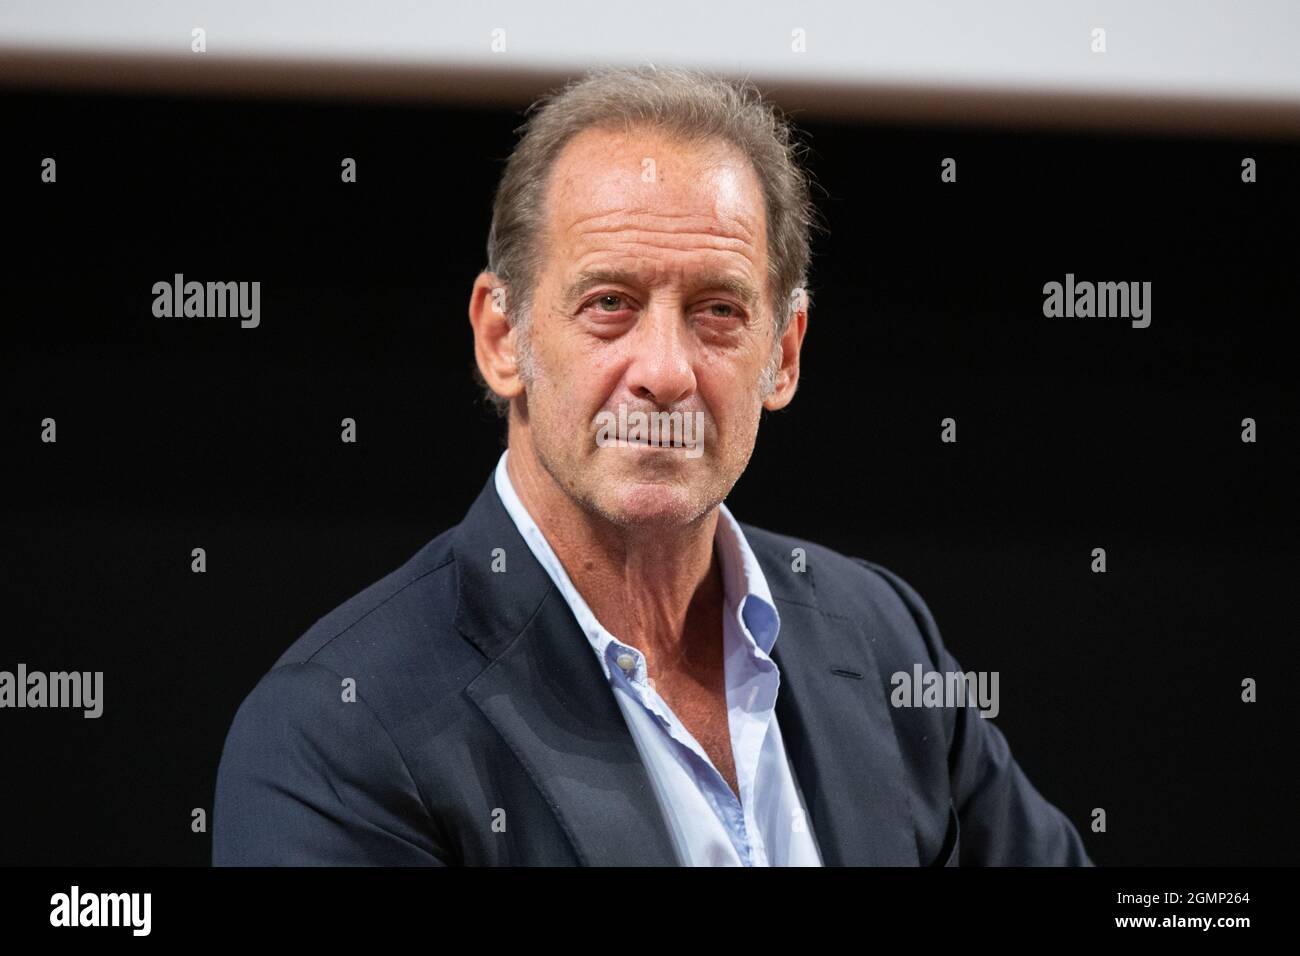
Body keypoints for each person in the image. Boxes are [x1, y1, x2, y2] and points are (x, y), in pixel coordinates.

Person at [213, 65, 1092, 866]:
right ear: (501, 337)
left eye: (717, 309)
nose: (666, 370)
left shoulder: (881, 635)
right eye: (609, 304)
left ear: (783, 354)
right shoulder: (337, 728)